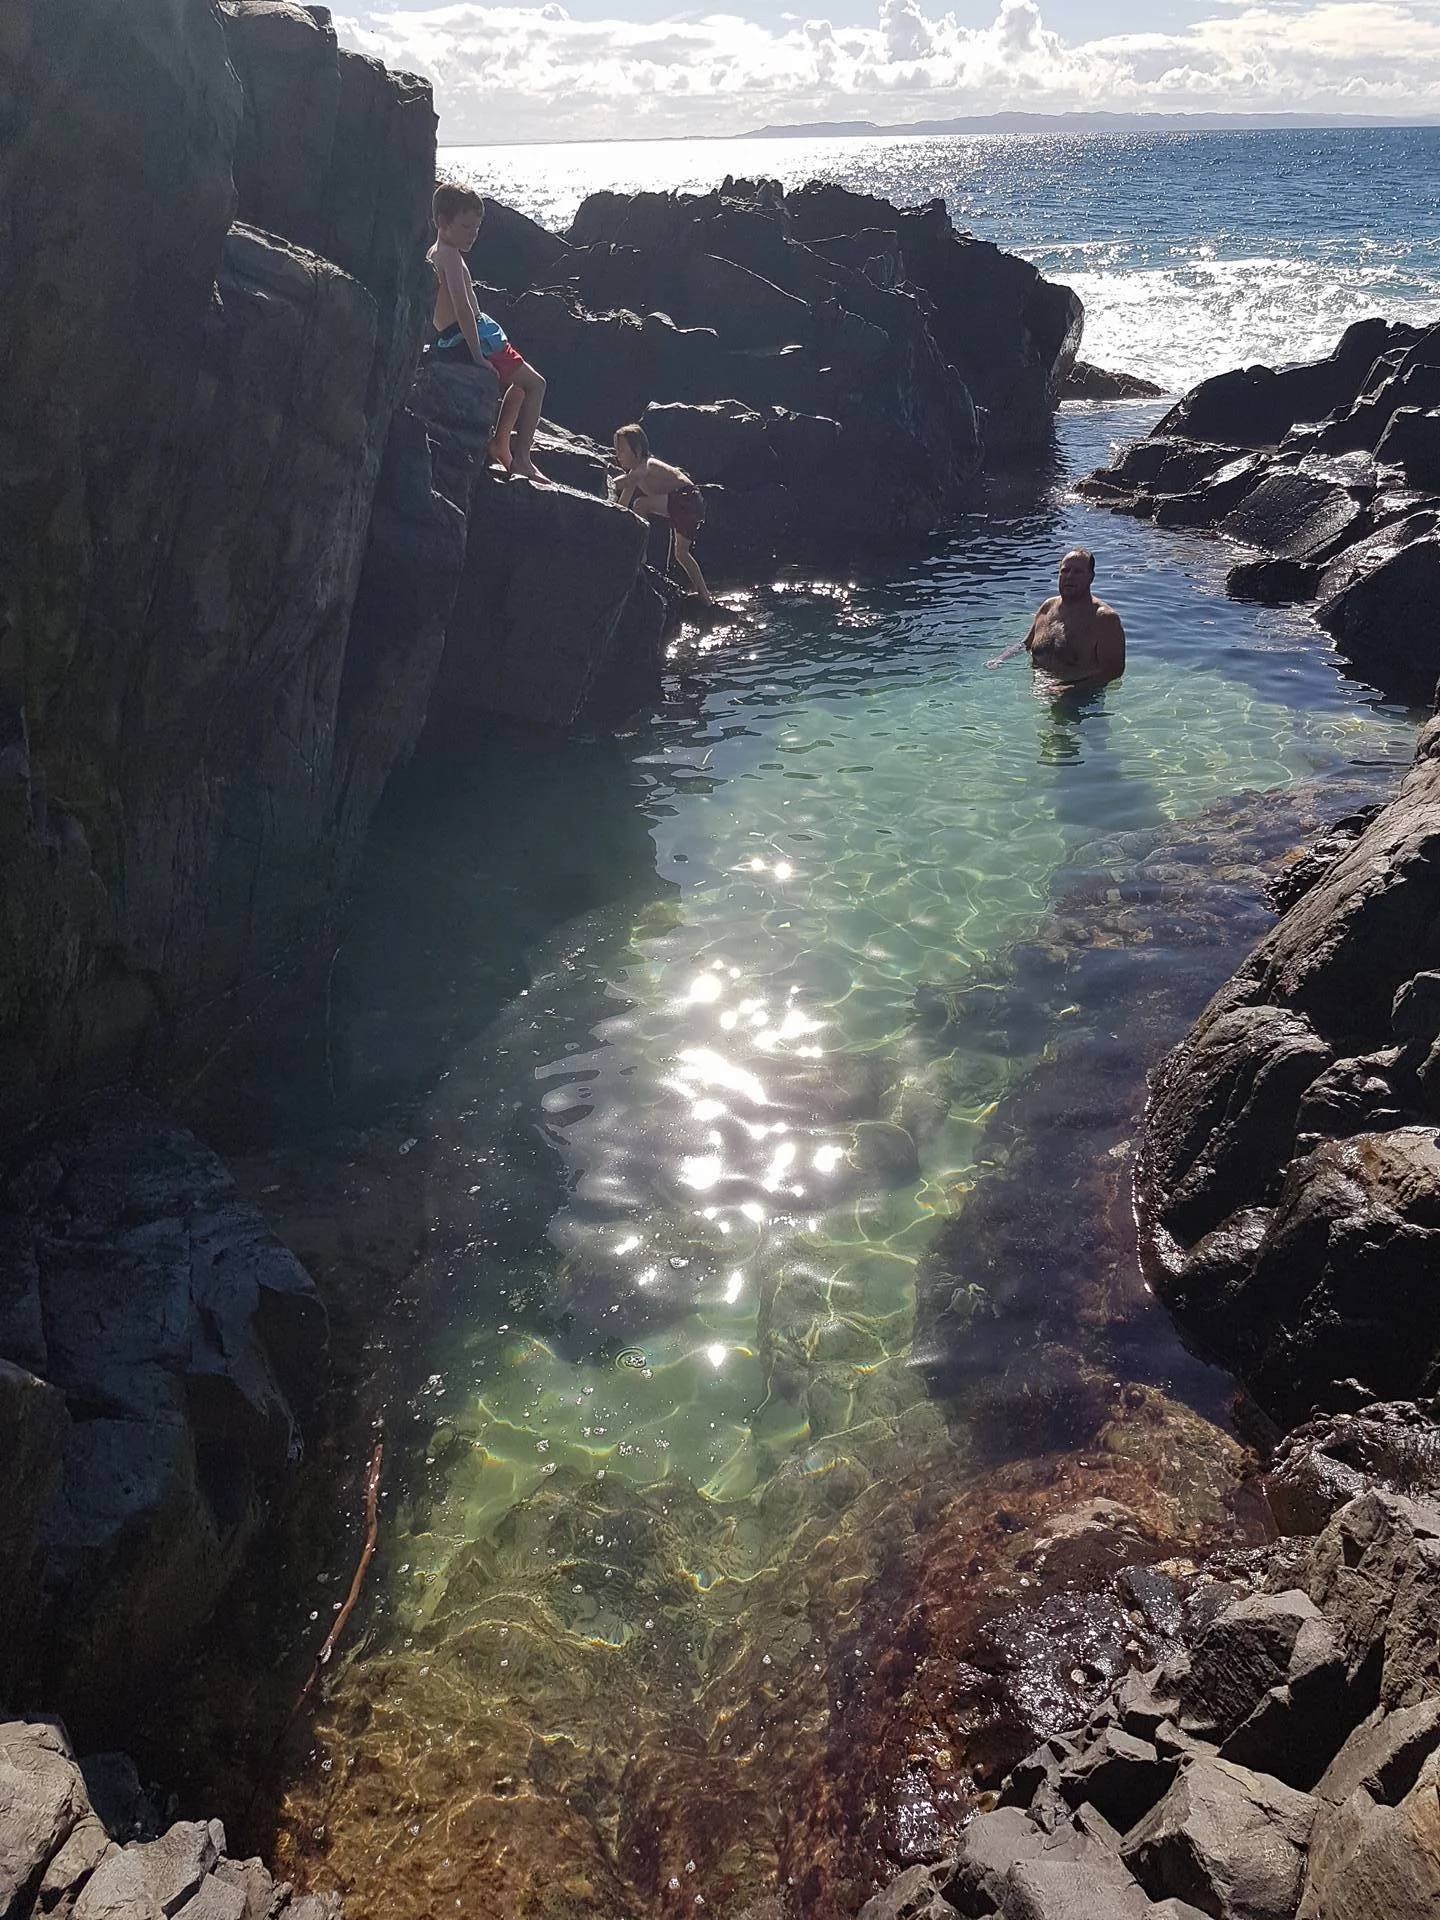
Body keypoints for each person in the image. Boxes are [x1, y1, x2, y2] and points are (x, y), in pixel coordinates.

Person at [427, 183, 547, 481]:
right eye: (466, 226)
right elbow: (463, 308)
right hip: (468, 337)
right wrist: (478, 356)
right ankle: (522, 459)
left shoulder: (435, 251)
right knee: (536, 385)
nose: (473, 234)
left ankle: (501, 445)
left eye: (477, 228)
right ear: (442, 222)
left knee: (517, 387)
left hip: (449, 338)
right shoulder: (450, 256)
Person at [987, 548, 1126, 686]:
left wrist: (1067, 690)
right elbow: (1025, 644)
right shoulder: (1047, 607)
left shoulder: (1104, 619)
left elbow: (1113, 673)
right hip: (1039, 690)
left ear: (1091, 577)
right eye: (1065, 571)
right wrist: (1000, 658)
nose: (1070, 576)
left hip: (1082, 701)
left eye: (1078, 572)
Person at [611, 424, 715, 605]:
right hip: (684, 504)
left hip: (686, 498)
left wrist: (608, 481)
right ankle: (704, 595)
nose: (618, 455)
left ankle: (641, 556)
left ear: (638, 449)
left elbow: (628, 482)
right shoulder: (635, 473)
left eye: (622, 450)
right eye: (616, 451)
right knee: (681, 553)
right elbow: (622, 506)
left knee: (640, 505)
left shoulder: (647, 464)